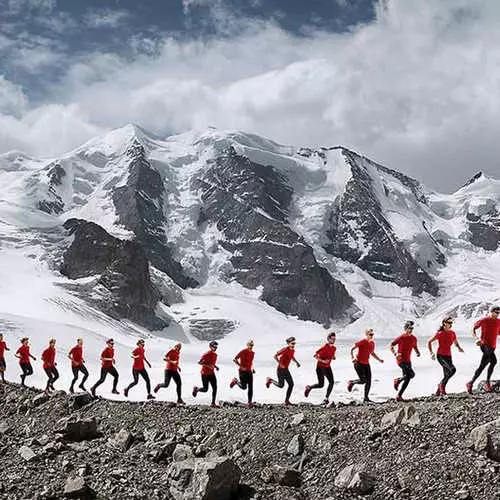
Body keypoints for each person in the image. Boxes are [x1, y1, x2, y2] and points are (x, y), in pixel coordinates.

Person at [467, 305, 500, 393]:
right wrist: (476, 338)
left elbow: (498, 332)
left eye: (499, 313)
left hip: (492, 346)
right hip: (484, 345)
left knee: (482, 366)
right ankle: (487, 383)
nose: (498, 314)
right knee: (493, 361)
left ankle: (470, 382)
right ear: (491, 312)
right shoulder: (485, 320)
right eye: (496, 312)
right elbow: (473, 329)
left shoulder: (498, 321)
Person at [428, 316, 464, 395]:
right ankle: (441, 385)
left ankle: (438, 392)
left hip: (448, 356)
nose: (451, 324)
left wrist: (459, 348)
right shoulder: (440, 333)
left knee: (447, 374)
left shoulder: (452, 333)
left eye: (451, 323)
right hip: (441, 355)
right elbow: (429, 341)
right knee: (452, 370)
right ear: (444, 323)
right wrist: (431, 353)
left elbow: (455, 342)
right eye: (449, 323)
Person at [347, 329, 384, 403]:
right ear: (366, 335)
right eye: (370, 334)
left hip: (366, 364)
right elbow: (352, 349)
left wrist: (379, 359)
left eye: (372, 335)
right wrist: (352, 357)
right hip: (358, 363)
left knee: (369, 381)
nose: (371, 336)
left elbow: (372, 353)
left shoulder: (372, 343)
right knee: (363, 380)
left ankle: (366, 398)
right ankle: (352, 382)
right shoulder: (363, 341)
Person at [390, 321, 421, 402]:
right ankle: (397, 380)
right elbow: (391, 345)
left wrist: (417, 352)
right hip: (400, 360)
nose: (410, 330)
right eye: (409, 328)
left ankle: (399, 396)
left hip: (408, 360)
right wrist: (395, 353)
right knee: (411, 374)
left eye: (412, 328)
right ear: (406, 329)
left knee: (407, 378)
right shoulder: (401, 337)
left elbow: (414, 346)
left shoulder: (414, 338)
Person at [265, 337, 300, 406]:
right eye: (292, 343)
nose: (293, 345)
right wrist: (280, 364)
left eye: (294, 343)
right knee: (281, 385)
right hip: (280, 370)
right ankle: (270, 380)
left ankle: (286, 401)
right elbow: (275, 356)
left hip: (286, 370)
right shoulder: (285, 349)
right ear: (288, 343)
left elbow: (292, 357)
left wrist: (296, 362)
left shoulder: (292, 350)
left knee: (291, 384)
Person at [304, 332, 337, 405]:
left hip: (328, 367)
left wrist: (333, 357)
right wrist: (323, 360)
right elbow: (315, 355)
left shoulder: (334, 348)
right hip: (320, 367)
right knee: (321, 384)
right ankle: (309, 387)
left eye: (334, 339)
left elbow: (332, 356)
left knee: (331, 382)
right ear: (328, 339)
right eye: (332, 339)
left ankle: (326, 399)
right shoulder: (325, 347)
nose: (334, 340)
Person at [192, 341, 219, 408]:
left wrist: (215, 367)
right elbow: (200, 362)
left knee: (215, 387)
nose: (215, 348)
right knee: (205, 389)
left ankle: (213, 403)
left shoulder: (215, 355)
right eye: (214, 346)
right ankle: (196, 389)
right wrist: (208, 366)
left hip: (212, 373)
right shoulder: (206, 354)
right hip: (205, 373)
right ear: (210, 346)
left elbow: (212, 363)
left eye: (216, 347)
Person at [230, 339, 256, 407]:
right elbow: (235, 359)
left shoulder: (253, 353)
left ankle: (249, 402)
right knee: (244, 387)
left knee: (251, 387)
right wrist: (241, 366)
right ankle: (235, 381)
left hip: (249, 372)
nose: (251, 346)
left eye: (252, 345)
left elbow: (251, 362)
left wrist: (252, 369)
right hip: (242, 372)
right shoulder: (243, 351)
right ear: (247, 345)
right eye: (250, 345)